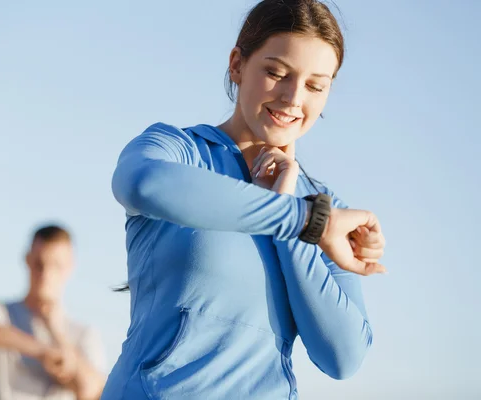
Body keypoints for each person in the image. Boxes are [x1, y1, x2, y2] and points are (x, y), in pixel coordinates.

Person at [101, 1, 387, 399]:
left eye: (314, 85)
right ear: (237, 65)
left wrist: (295, 224)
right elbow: (142, 185)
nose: (292, 98)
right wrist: (299, 219)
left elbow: (342, 357)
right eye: (276, 73)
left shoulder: (322, 206)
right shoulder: (179, 149)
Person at [0, 224, 106, 400]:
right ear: (28, 260)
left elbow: (92, 391)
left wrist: (54, 329)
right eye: (39, 264)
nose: (46, 274)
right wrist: (42, 352)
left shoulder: (84, 335)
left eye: (56, 265)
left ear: (70, 267)